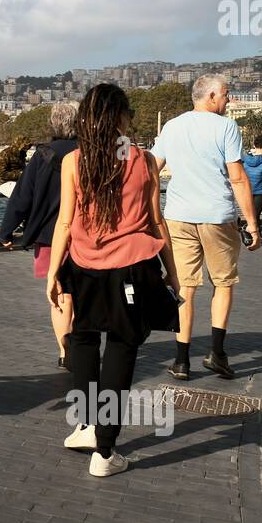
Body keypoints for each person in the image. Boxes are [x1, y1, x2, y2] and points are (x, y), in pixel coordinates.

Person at [48, 84, 179, 477]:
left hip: (84, 265)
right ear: (121, 117)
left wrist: (54, 272)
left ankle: (87, 426)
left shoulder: (74, 161)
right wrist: (172, 272)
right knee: (122, 348)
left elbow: (66, 222)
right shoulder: (144, 159)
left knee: (83, 339)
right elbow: (157, 221)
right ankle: (104, 452)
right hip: (132, 268)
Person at [152, 74, 260, 382]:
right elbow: (238, 178)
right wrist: (252, 224)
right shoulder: (226, 127)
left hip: (178, 216)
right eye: (226, 94)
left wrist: (151, 211)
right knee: (223, 284)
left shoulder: (172, 126)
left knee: (185, 286)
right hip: (216, 216)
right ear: (211, 96)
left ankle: (182, 360)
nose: (229, 99)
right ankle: (217, 354)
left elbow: (152, 169)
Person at [0, 101, 80, 367]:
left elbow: (23, 196)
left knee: (58, 294)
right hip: (83, 234)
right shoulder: (87, 153)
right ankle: (78, 342)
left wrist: (7, 231)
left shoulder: (42, 156)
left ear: (53, 124)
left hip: (47, 236)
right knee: (79, 294)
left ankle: (64, 351)